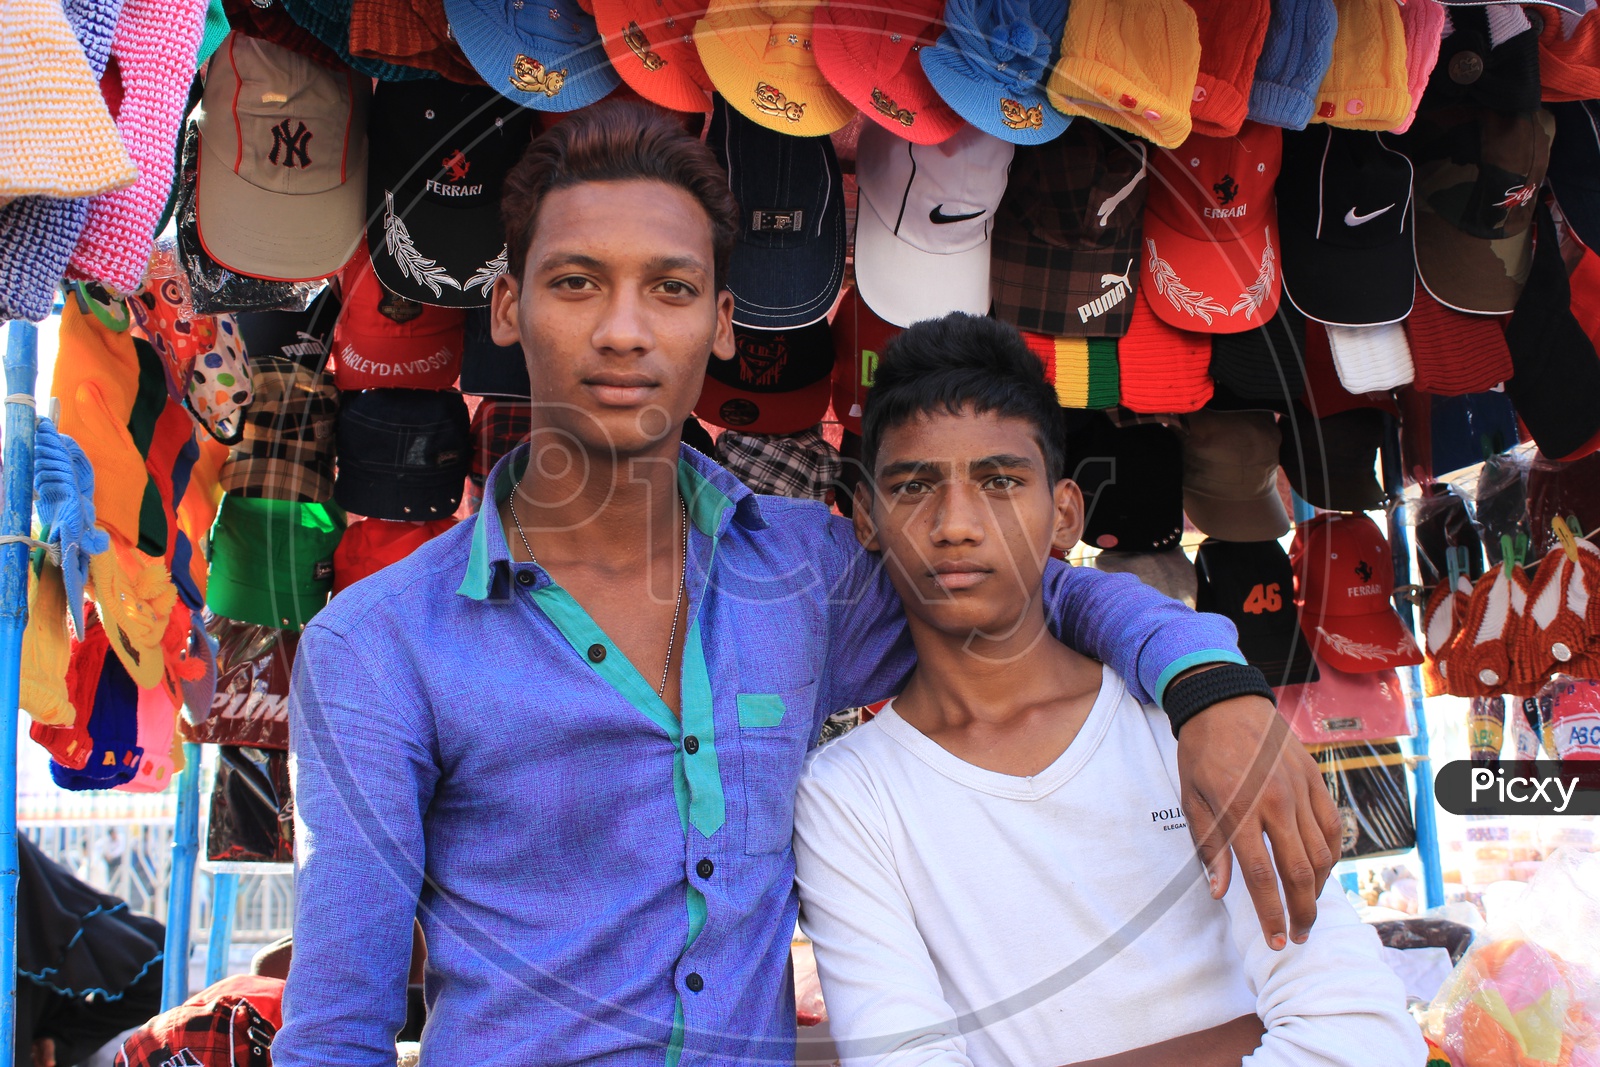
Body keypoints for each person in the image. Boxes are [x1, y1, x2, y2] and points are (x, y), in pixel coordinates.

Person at [280, 100, 1339, 1065]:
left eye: (671, 287)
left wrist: (1210, 685)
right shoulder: (378, 644)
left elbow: (1029, 592)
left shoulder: (803, 566)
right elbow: (336, 1028)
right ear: (506, 306)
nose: (622, 328)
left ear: (724, 321)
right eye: (575, 281)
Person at [792, 314, 1423, 1066]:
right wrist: (1232, 1038)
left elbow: (1367, 1037)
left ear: (1063, 512)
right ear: (867, 517)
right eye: (913, 485)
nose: (955, 524)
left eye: (999, 481)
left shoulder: (1187, 729)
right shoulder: (846, 796)